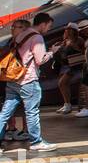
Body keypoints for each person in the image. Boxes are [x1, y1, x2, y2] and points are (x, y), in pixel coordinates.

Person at [0, 12, 61, 151]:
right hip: (28, 80)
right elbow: (40, 60)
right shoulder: (37, 37)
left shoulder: (22, 33)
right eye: (49, 26)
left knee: (4, 113)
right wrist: (52, 52)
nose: (49, 29)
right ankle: (36, 142)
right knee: (32, 112)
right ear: (43, 24)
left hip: (13, 79)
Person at [55, 24, 86, 113]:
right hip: (69, 65)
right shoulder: (65, 41)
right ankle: (67, 104)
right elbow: (63, 53)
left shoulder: (79, 40)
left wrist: (74, 47)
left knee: (65, 83)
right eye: (66, 30)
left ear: (73, 31)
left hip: (78, 65)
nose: (66, 31)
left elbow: (84, 51)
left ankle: (79, 106)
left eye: (69, 29)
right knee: (63, 84)